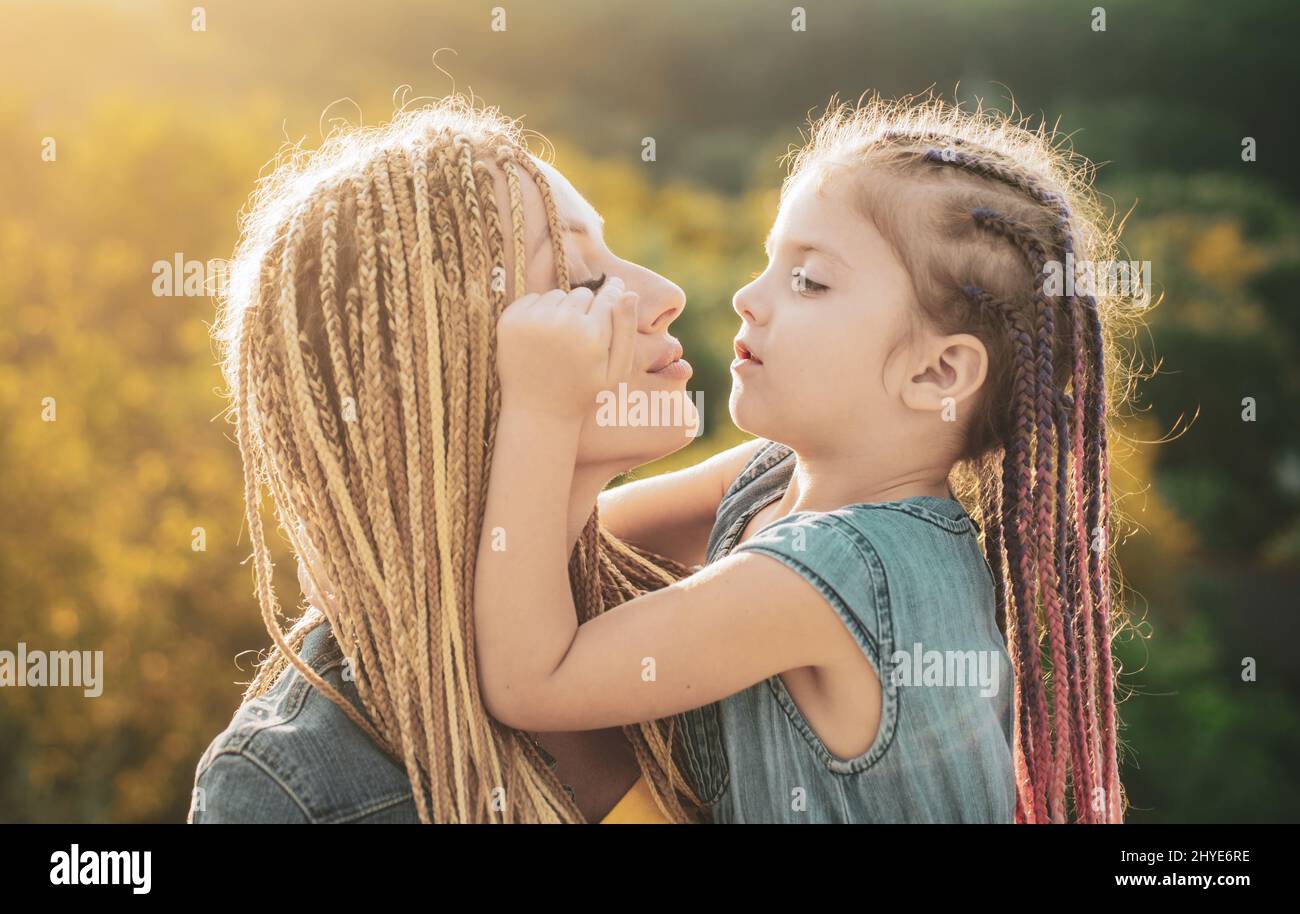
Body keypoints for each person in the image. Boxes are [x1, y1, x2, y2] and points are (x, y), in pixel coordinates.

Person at [474, 94, 1135, 823]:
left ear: (936, 375)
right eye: (767, 262)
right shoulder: (777, 474)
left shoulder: (833, 571)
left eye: (810, 281)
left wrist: (541, 407)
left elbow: (531, 681)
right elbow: (582, 547)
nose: (746, 298)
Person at [190, 96, 733, 823]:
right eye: (580, 281)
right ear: (434, 366)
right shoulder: (296, 786)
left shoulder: (684, 598)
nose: (665, 297)